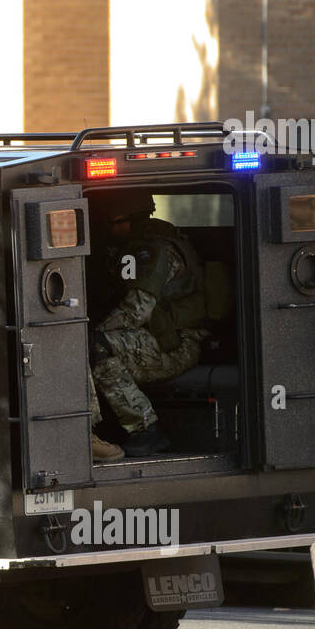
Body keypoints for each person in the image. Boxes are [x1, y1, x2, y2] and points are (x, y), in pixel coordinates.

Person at [88, 191, 211, 460]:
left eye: (110, 221)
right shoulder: (131, 246)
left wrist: (94, 334)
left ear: (127, 219)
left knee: (96, 347)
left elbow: (137, 310)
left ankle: (145, 429)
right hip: (154, 339)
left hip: (176, 346)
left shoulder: (152, 250)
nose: (106, 228)